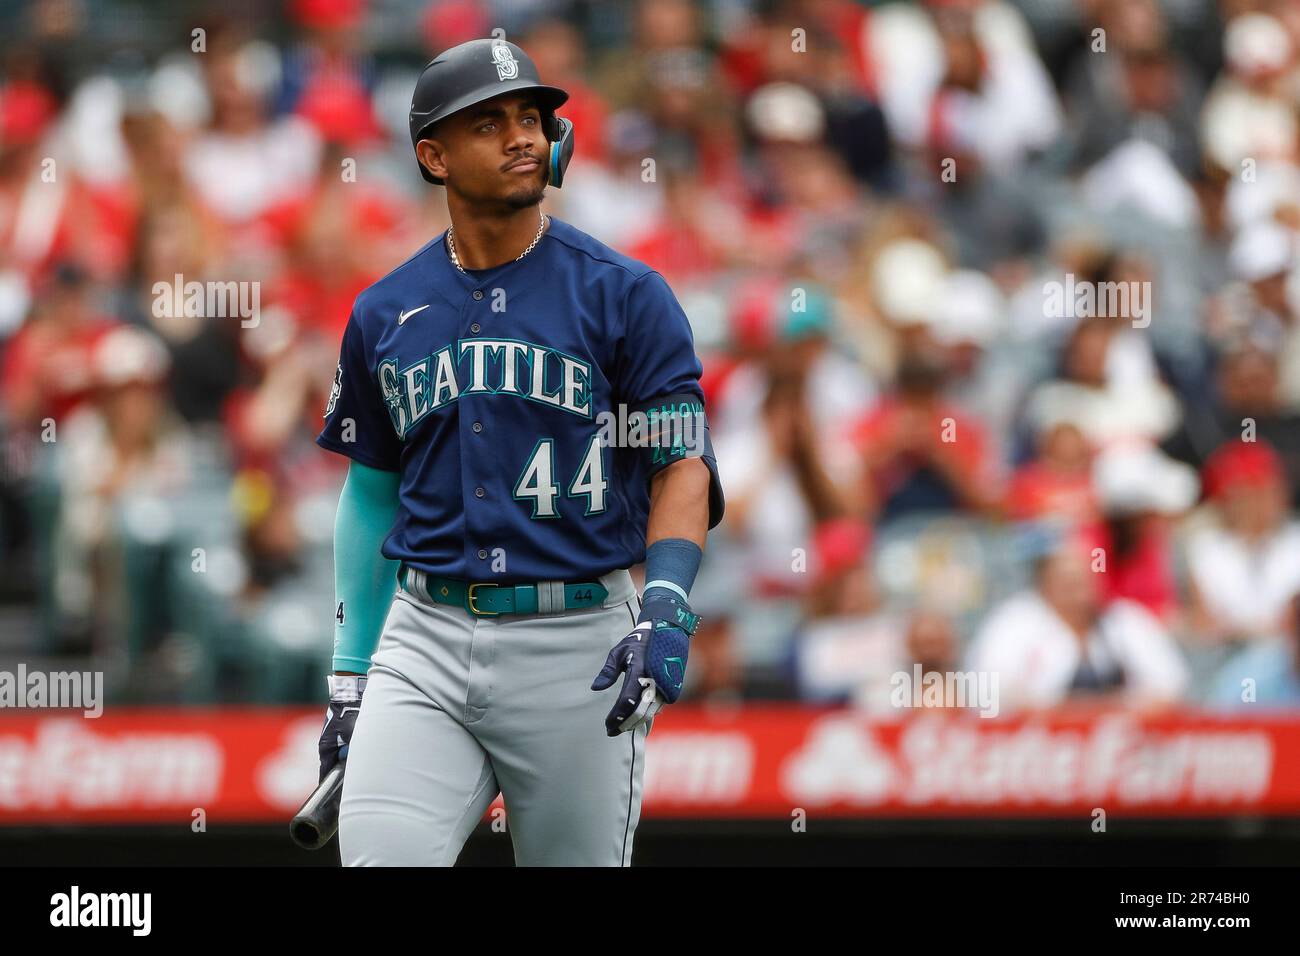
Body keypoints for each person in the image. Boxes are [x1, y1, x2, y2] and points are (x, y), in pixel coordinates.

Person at [314, 39, 723, 867]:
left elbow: (681, 462)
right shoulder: (385, 309)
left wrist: (668, 602)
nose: (523, 136)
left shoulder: (624, 294)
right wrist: (351, 677)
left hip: (579, 645)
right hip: (424, 635)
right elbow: (369, 494)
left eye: (532, 117)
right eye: (491, 121)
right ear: (433, 156)